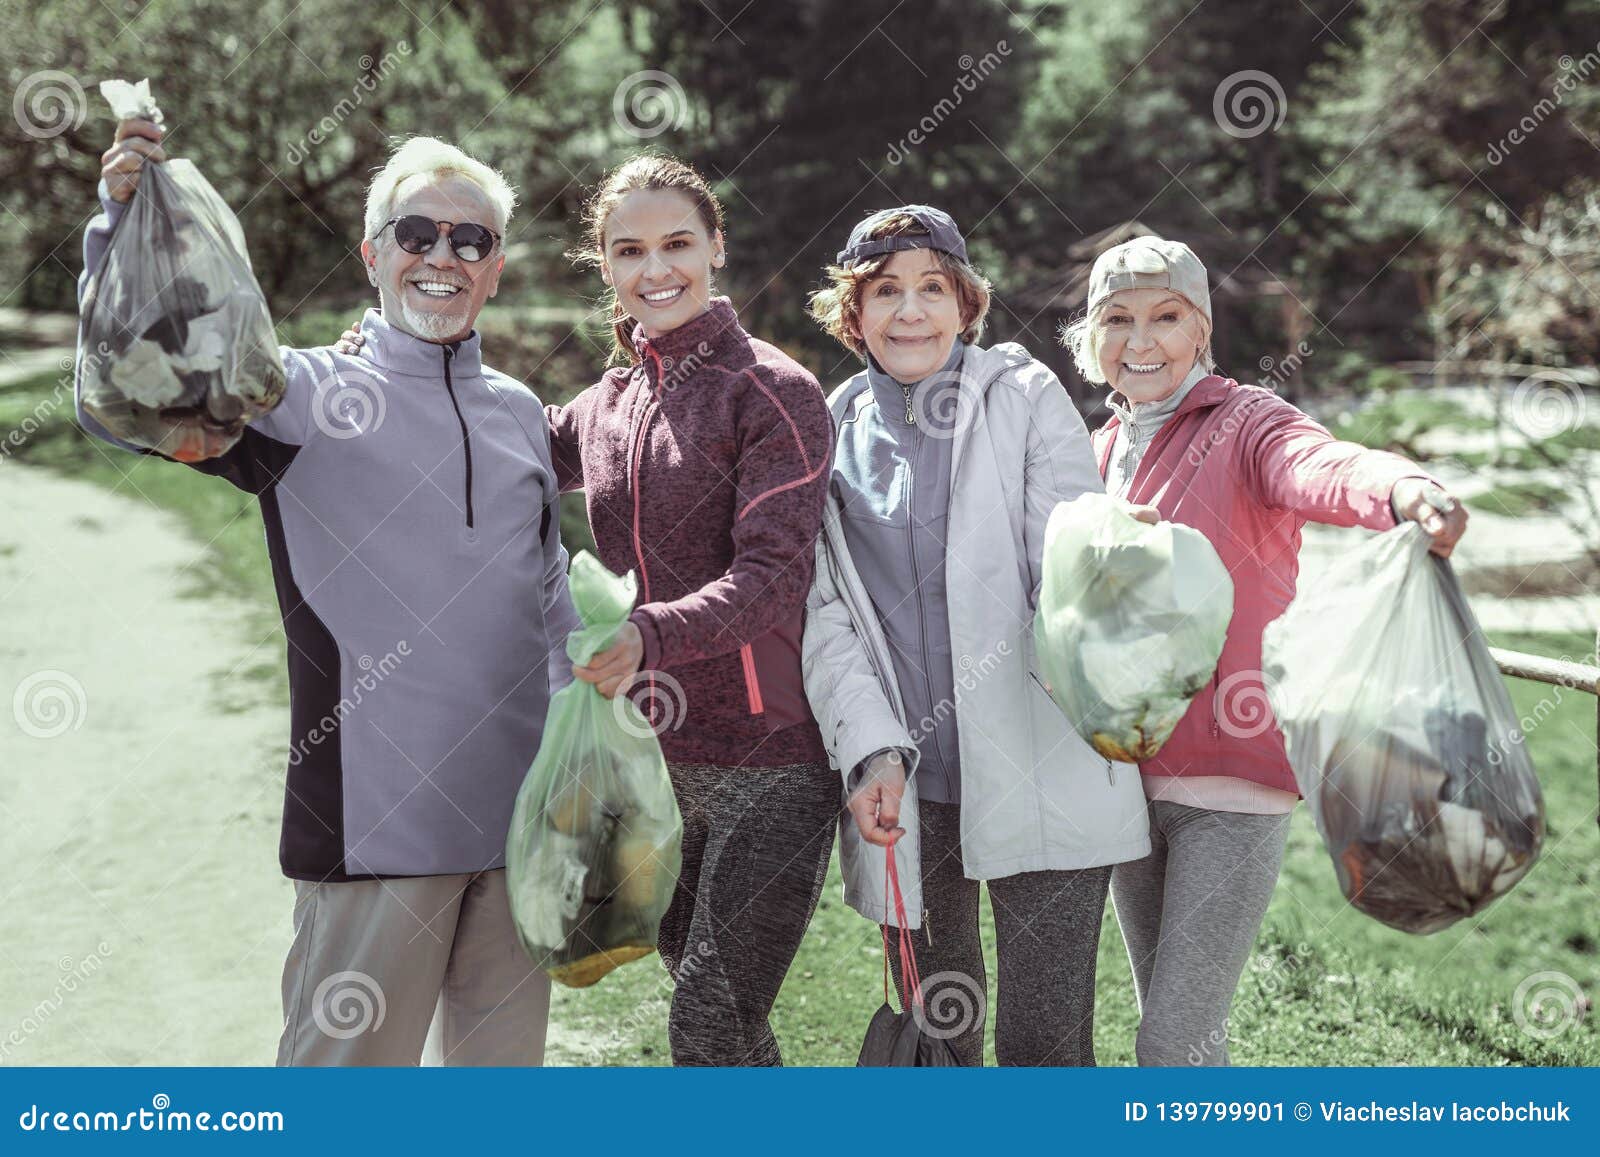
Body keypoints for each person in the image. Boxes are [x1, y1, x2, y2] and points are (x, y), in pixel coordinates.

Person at [81, 122, 575, 1066]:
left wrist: (582, 760)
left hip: (521, 841)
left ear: (497, 268)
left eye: (470, 241)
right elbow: (122, 401)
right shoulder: (301, 395)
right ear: (374, 253)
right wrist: (120, 223)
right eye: (417, 233)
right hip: (374, 839)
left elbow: (549, 600)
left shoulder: (519, 413)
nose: (443, 256)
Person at [339, 153, 836, 1066]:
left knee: (711, 1019)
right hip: (650, 761)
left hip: (773, 762)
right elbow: (479, 441)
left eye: (678, 243)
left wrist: (648, 633)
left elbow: (773, 575)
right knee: (721, 1015)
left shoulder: (775, 393)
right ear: (602, 264)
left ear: (716, 248)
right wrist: (370, 363)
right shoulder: (603, 404)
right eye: (630, 249)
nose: (657, 270)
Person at [1061, 235, 1469, 1066]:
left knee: (1172, 1045)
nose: (1141, 340)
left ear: (1202, 328)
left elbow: (1318, 464)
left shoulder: (1246, 421)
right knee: (1175, 1037)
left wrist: (1401, 489)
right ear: (1092, 337)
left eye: (1165, 316)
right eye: (1118, 319)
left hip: (1231, 782)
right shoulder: (1096, 450)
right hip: (1120, 786)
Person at [801, 206, 1151, 1066]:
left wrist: (1109, 557)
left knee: (1044, 1043)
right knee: (941, 1033)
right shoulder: (830, 427)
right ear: (854, 314)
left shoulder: (1023, 398)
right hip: (908, 785)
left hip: (1042, 759)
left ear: (966, 305)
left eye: (933, 288)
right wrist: (870, 751)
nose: (910, 311)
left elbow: (1063, 551)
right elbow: (830, 614)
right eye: (886, 291)